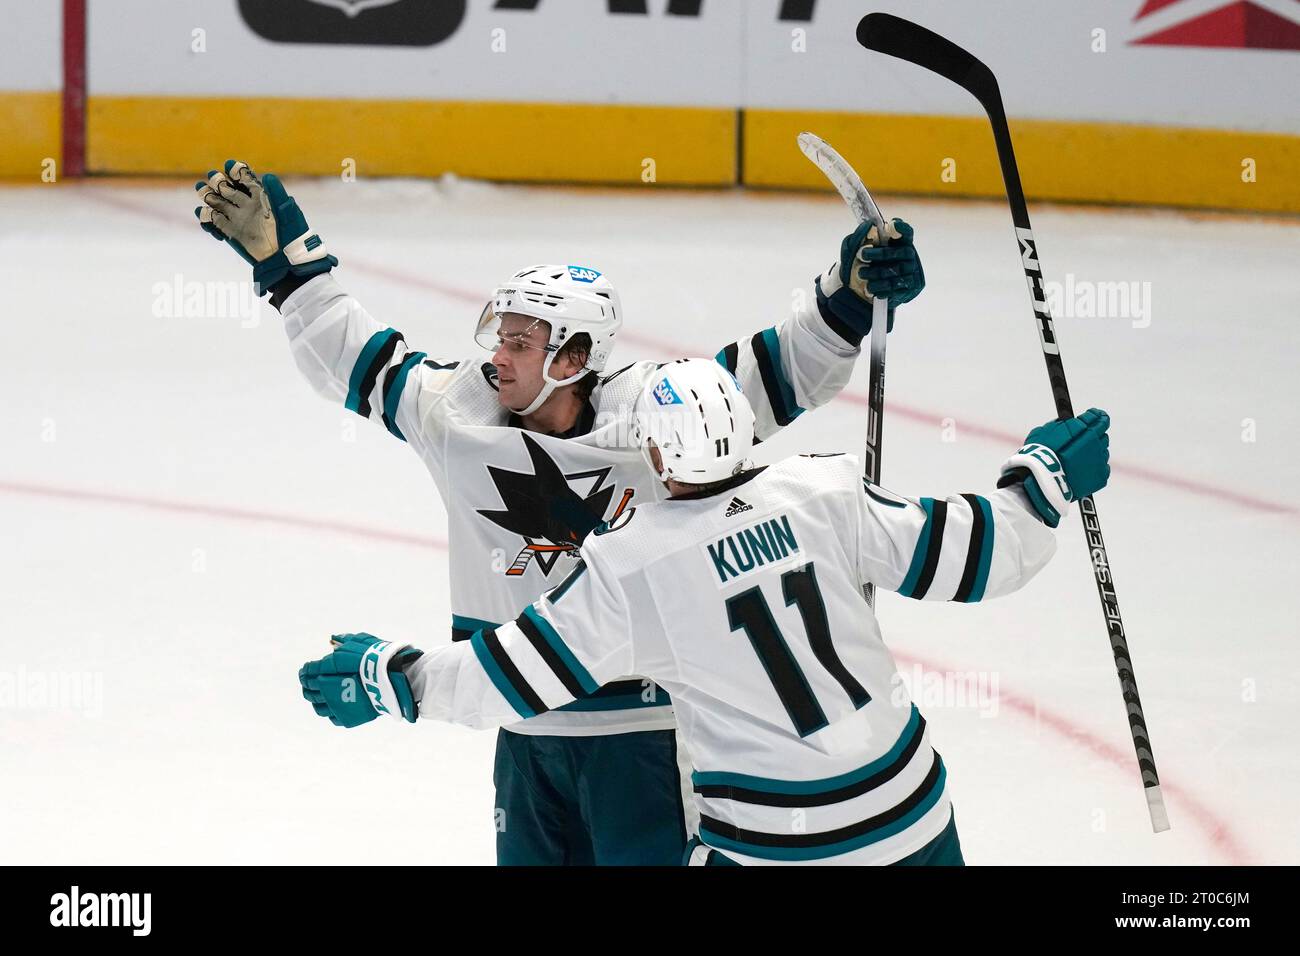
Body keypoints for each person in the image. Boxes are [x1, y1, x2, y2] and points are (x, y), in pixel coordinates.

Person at [195, 161, 927, 865]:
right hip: (520, 727)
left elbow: (776, 372)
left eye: (521, 341)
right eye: (500, 335)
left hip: (643, 734)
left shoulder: (658, 415)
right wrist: (288, 269)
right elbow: (352, 356)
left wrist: (849, 297)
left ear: (574, 356)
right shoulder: (455, 413)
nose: (499, 356)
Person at [300, 360, 1112, 865]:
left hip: (774, 846)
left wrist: (391, 678)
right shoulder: (824, 490)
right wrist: (1042, 480)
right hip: (912, 817)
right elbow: (974, 554)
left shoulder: (634, 564)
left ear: (655, 454)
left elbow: (508, 678)